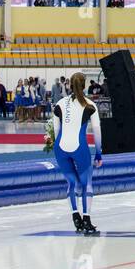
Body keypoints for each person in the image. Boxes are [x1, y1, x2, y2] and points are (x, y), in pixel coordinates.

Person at [52, 71, 103, 235]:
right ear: (85, 85)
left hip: (60, 148)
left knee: (72, 183)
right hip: (79, 147)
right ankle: (86, 219)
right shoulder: (90, 105)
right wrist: (99, 153)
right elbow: (97, 131)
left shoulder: (59, 103)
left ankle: (75, 215)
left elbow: (56, 130)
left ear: (69, 85)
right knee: (86, 183)